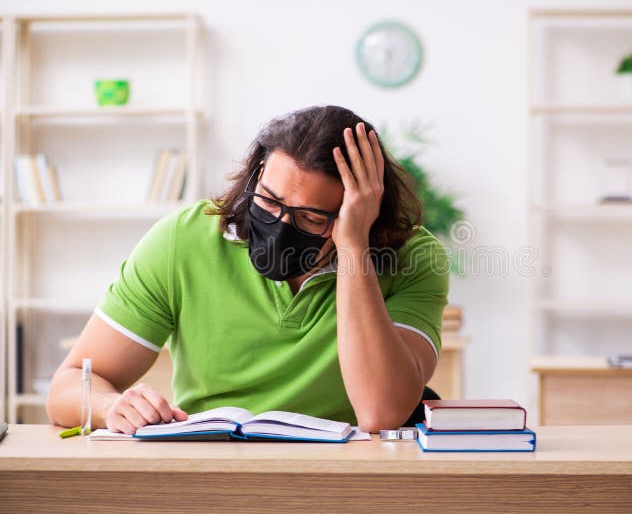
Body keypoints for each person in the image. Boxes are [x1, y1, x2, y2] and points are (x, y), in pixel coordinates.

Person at [46, 105, 450, 434]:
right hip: (211, 474)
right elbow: (65, 391)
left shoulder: (411, 256)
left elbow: (380, 413)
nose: (280, 227)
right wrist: (111, 406)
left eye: (310, 219)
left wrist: (353, 248)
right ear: (255, 175)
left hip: (342, 480)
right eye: (269, 201)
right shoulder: (182, 240)